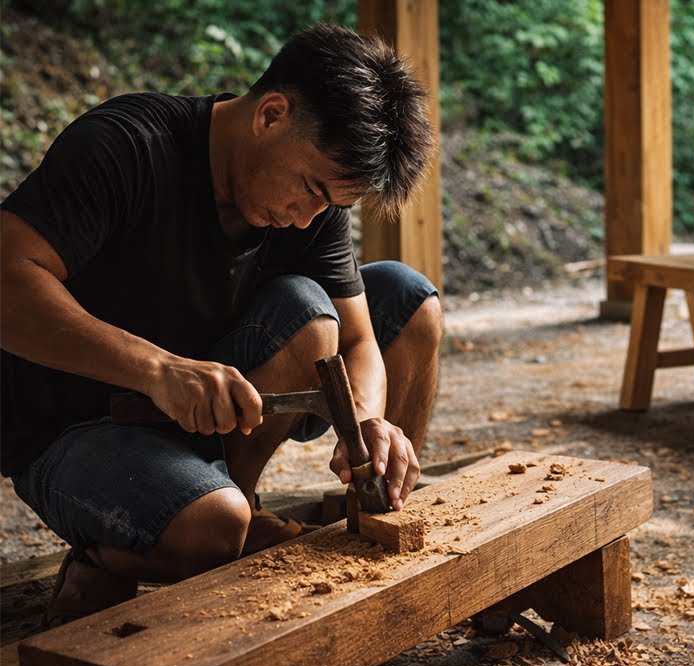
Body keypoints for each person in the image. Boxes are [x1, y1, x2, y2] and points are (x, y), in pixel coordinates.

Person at [0, 23, 443, 626]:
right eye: (310, 189)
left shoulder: (313, 201)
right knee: (213, 529)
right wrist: (155, 368)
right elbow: (7, 281)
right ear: (272, 115)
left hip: (209, 410)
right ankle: (155, 539)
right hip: (79, 424)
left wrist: (367, 420)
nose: (307, 215)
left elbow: (361, 337)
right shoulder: (127, 146)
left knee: (409, 301)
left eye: (329, 204)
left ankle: (351, 509)